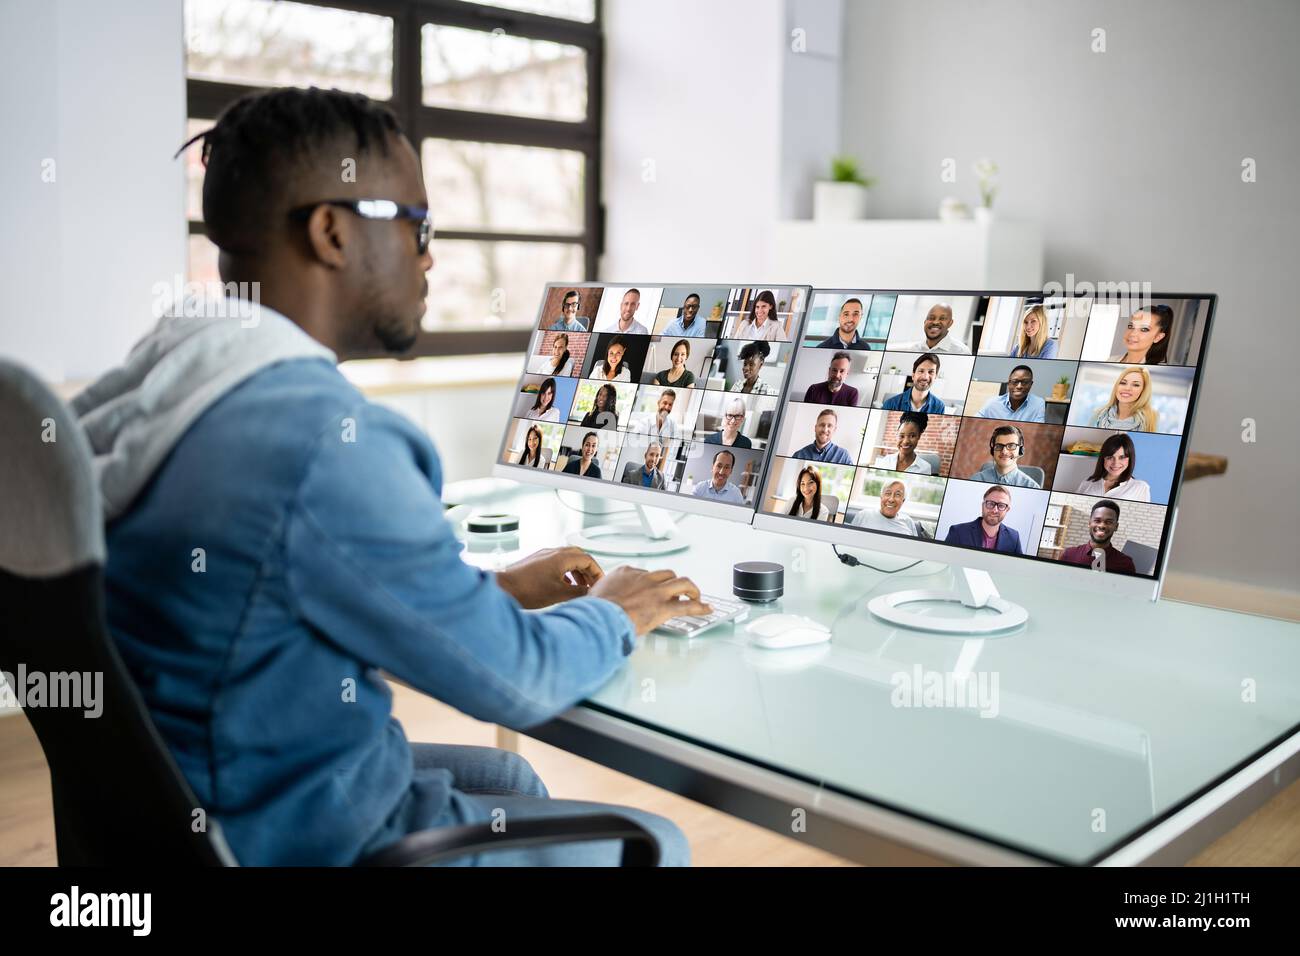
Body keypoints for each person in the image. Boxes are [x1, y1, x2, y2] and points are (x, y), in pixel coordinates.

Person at [74, 87, 704, 867]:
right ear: (332, 231)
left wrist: (493, 592)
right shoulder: (323, 442)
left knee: (505, 773)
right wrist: (616, 612)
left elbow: (280, 582)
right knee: (662, 840)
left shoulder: (161, 385)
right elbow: (520, 682)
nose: (430, 254)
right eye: (417, 224)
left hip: (191, 799)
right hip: (304, 838)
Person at [1058, 499, 1137, 574]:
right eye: (1097, 521)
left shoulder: (1126, 563)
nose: (1102, 525)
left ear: (1116, 526)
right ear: (1089, 523)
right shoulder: (1068, 555)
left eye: (1109, 522)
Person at [943, 486, 1023, 553]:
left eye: (1001, 505)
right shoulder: (958, 531)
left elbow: (1018, 567)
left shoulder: (1014, 537)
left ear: (1007, 510)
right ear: (983, 505)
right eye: (990, 504)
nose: (994, 510)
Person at [1075, 433, 1151, 501]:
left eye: (1122, 457)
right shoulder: (1087, 483)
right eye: (1110, 457)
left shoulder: (1140, 487)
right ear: (1103, 458)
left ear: (1130, 459)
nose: (1115, 463)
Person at [968, 423, 1042, 487]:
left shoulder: (1032, 486)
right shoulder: (976, 479)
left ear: (1020, 450)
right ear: (992, 450)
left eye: (1011, 446)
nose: (1004, 451)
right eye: (999, 446)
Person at [1089, 366, 1158, 432]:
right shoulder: (1099, 415)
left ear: (1143, 390)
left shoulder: (1150, 419)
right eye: (1123, 383)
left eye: (1136, 385)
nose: (1127, 388)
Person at [850, 479, 921, 535]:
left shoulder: (908, 522)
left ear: (903, 501)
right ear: (881, 497)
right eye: (888, 493)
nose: (891, 499)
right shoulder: (863, 515)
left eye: (897, 495)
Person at [977, 364, 1045, 422]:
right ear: (1009, 383)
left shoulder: (1038, 403)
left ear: (1031, 384)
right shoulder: (992, 403)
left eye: (1025, 382)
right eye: (1015, 381)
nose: (1019, 386)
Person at [880, 353, 946, 413]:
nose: (925, 377)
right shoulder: (891, 404)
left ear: (935, 377)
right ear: (913, 376)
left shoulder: (939, 407)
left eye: (931, 372)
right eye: (921, 371)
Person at [1109, 305, 1173, 365]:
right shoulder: (1111, 360)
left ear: (1158, 337)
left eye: (1144, 329)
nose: (1132, 333)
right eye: (1131, 326)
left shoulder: (1157, 373)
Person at [898, 303, 970, 354]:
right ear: (925, 321)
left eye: (942, 318)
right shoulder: (913, 350)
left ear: (950, 323)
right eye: (931, 318)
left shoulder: (962, 351)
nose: (935, 322)